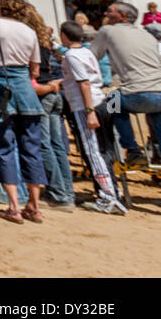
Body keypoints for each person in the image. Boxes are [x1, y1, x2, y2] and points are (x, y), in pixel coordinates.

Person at [0, 0, 49, 223]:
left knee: (3, 146)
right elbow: (35, 70)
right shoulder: (29, 30)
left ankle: (14, 205)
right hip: (25, 88)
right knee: (32, 148)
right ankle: (34, 206)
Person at [56, 22, 128, 214]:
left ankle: (108, 196)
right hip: (101, 99)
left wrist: (89, 111)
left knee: (93, 150)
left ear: (64, 35)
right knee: (105, 148)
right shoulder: (88, 52)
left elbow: (84, 83)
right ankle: (113, 191)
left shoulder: (71, 55)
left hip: (86, 104)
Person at [93, 2, 161, 168]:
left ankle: (132, 149)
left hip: (137, 93)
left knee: (113, 99)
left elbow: (91, 57)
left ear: (122, 16)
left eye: (110, 11)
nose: (105, 13)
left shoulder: (107, 31)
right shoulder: (146, 34)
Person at [34, 28, 76, 211]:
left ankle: (59, 194)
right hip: (59, 95)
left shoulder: (37, 49)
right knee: (57, 143)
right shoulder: (57, 51)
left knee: (46, 144)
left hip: (50, 95)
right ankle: (67, 191)